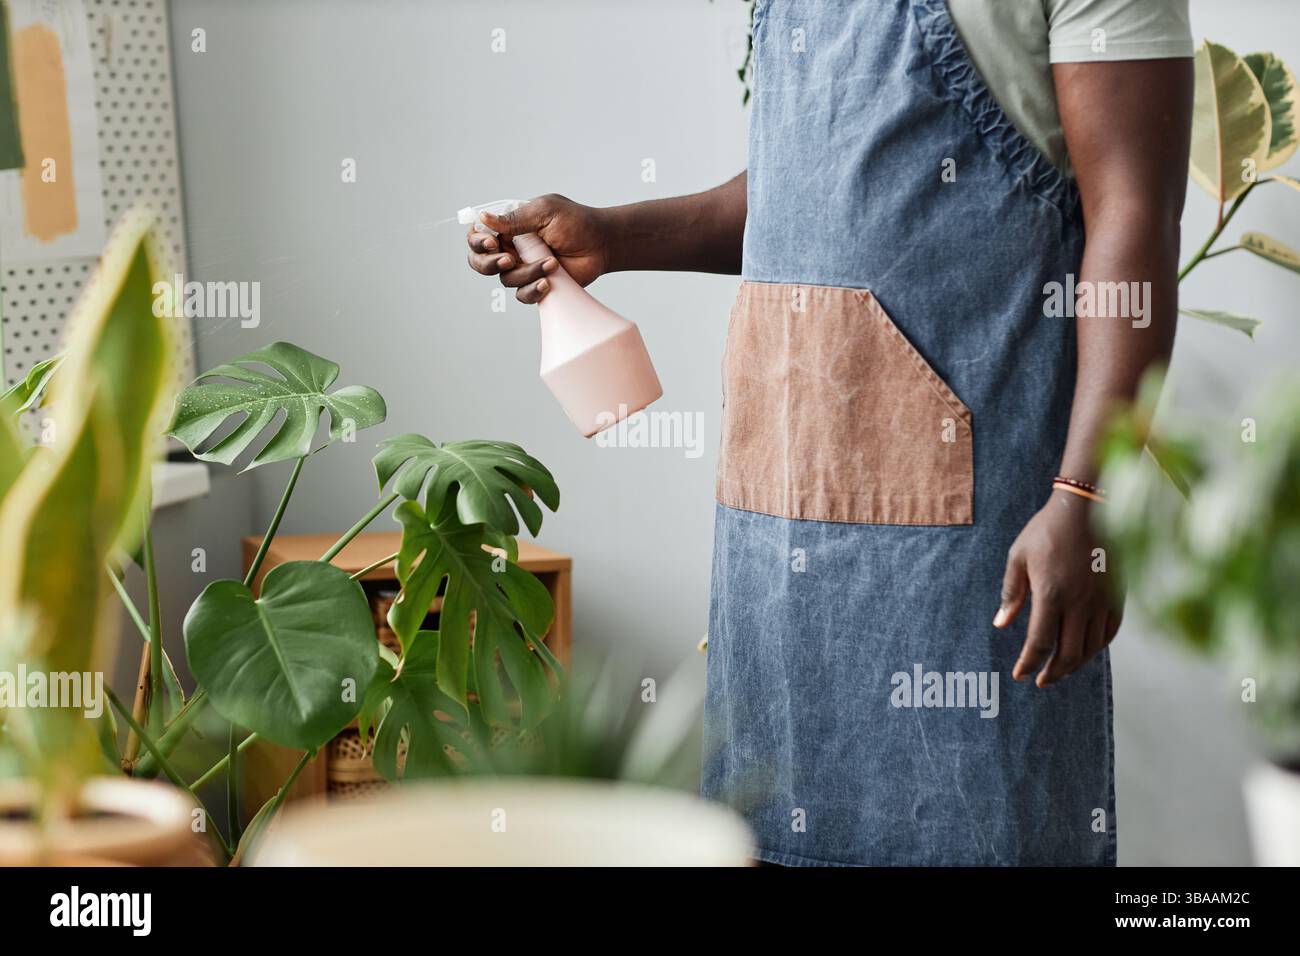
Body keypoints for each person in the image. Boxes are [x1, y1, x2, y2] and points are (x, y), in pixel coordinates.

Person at [465, 0, 1194, 866]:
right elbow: (809, 188)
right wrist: (613, 236)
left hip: (972, 561)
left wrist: (1089, 491)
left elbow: (1134, 216)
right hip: (776, 557)